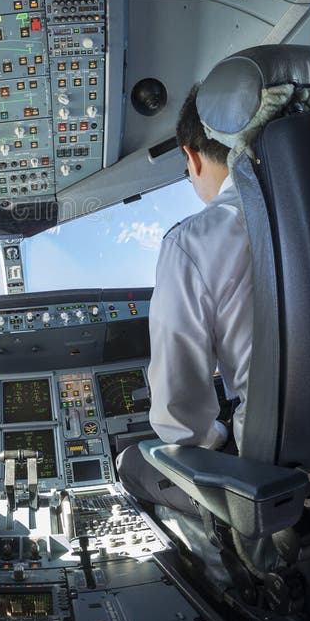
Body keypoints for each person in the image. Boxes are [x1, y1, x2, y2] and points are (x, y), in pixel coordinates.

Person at [117, 84, 253, 513]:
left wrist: (220, 433)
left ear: (192, 157)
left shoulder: (192, 243)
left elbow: (180, 425)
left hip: (282, 477)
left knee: (131, 462)